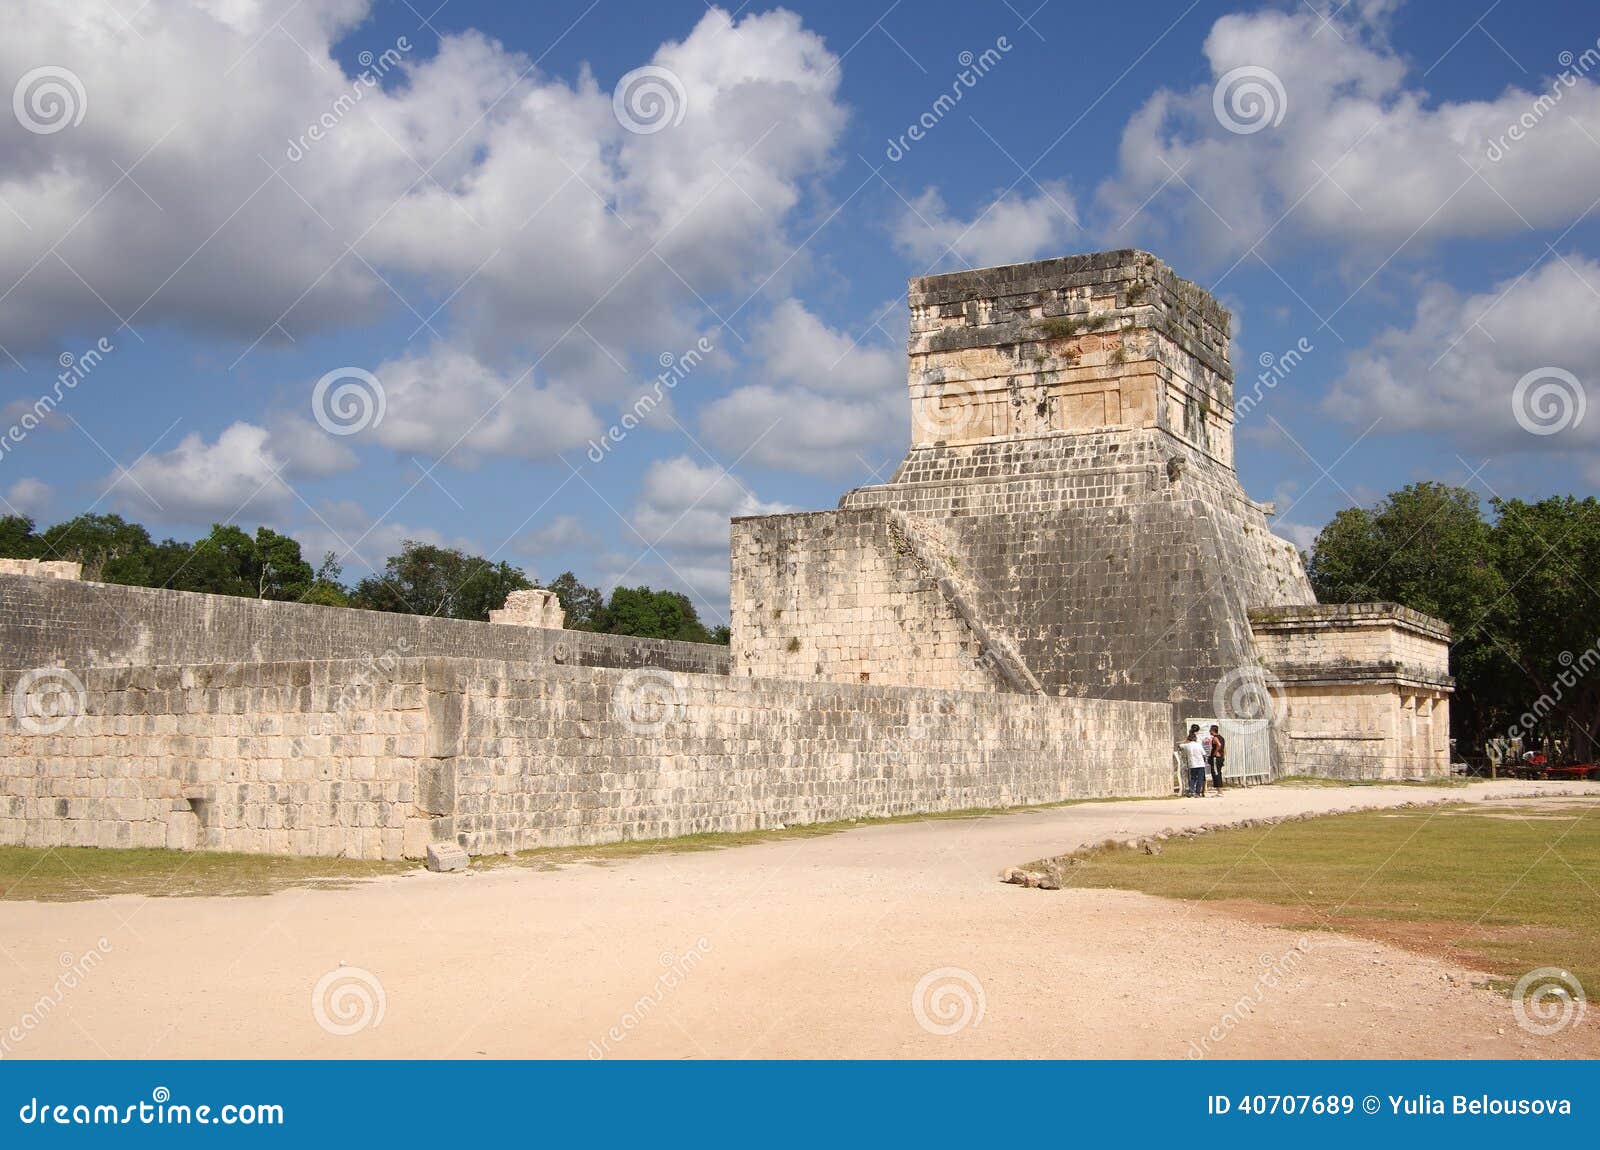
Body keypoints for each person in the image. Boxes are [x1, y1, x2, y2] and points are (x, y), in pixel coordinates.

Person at [1178, 726, 1207, 797]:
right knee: (1200, 778)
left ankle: (1191, 791)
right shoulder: (1198, 745)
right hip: (1200, 764)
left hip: (1192, 764)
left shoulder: (1186, 746)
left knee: (1193, 778)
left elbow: (1179, 746)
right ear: (1195, 738)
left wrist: (1185, 742)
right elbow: (1204, 754)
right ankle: (1197, 792)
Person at [1207, 724, 1226, 794]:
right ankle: (1219, 790)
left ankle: (1220, 791)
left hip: (1216, 758)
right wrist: (1223, 755)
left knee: (1216, 773)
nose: (1209, 731)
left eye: (1210, 730)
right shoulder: (1222, 737)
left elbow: (1219, 745)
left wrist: (1215, 753)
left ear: (1212, 730)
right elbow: (1224, 747)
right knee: (1218, 773)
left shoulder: (1215, 737)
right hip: (1220, 757)